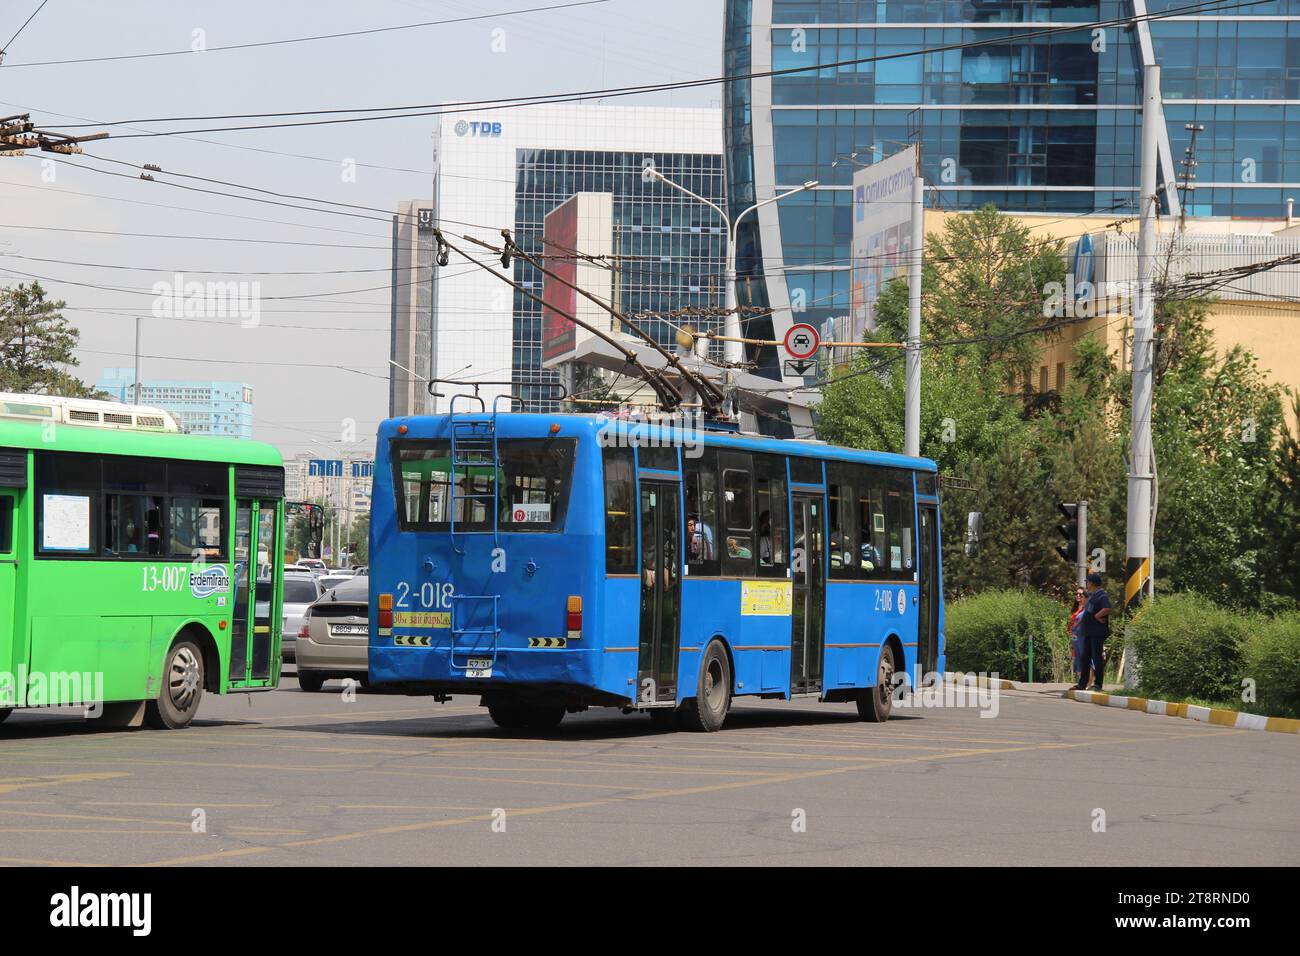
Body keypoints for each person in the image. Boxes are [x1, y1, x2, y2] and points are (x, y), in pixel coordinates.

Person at [1074, 572, 1113, 691]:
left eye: (1088, 582)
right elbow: (1087, 611)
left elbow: (1108, 608)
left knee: (1096, 658)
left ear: (1092, 583)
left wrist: (1097, 616)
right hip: (1088, 632)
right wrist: (1078, 623)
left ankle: (1098, 684)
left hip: (1097, 632)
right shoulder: (1092, 596)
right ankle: (1082, 684)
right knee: (1085, 658)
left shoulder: (1102, 595)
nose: (1087, 584)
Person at [1068, 587, 1086, 680]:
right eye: (1077, 594)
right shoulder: (1075, 608)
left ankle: (1086, 681)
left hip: (1082, 637)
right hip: (1074, 638)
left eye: (1080, 594)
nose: (1078, 596)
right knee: (1077, 659)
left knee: (1083, 657)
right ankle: (1080, 681)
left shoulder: (1085, 608)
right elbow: (1071, 623)